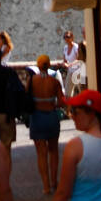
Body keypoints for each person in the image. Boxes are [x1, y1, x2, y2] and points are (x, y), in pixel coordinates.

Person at [27, 55, 63, 193]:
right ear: (48, 65)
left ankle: (46, 186)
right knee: (53, 151)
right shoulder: (54, 82)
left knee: (41, 153)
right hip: (51, 116)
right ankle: (54, 181)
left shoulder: (32, 80)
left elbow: (26, 95)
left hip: (37, 117)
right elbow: (60, 102)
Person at [61, 30, 79, 98]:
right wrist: (63, 64)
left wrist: (69, 65)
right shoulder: (65, 48)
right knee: (67, 93)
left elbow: (78, 59)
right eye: (65, 37)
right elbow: (64, 60)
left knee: (81, 91)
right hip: (70, 71)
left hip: (78, 72)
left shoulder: (76, 47)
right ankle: (68, 108)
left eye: (68, 37)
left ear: (72, 37)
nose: (66, 39)